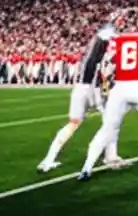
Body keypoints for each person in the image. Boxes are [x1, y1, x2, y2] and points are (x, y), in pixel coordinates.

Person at [76, 9, 138, 182]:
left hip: (121, 87)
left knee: (107, 129)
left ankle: (86, 168)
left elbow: (106, 59)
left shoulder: (116, 40)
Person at [37, 17, 123, 173]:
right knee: (111, 122)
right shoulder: (100, 52)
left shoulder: (90, 52)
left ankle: (48, 160)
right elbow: (101, 66)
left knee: (72, 124)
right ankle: (111, 156)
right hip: (92, 89)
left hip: (79, 88)